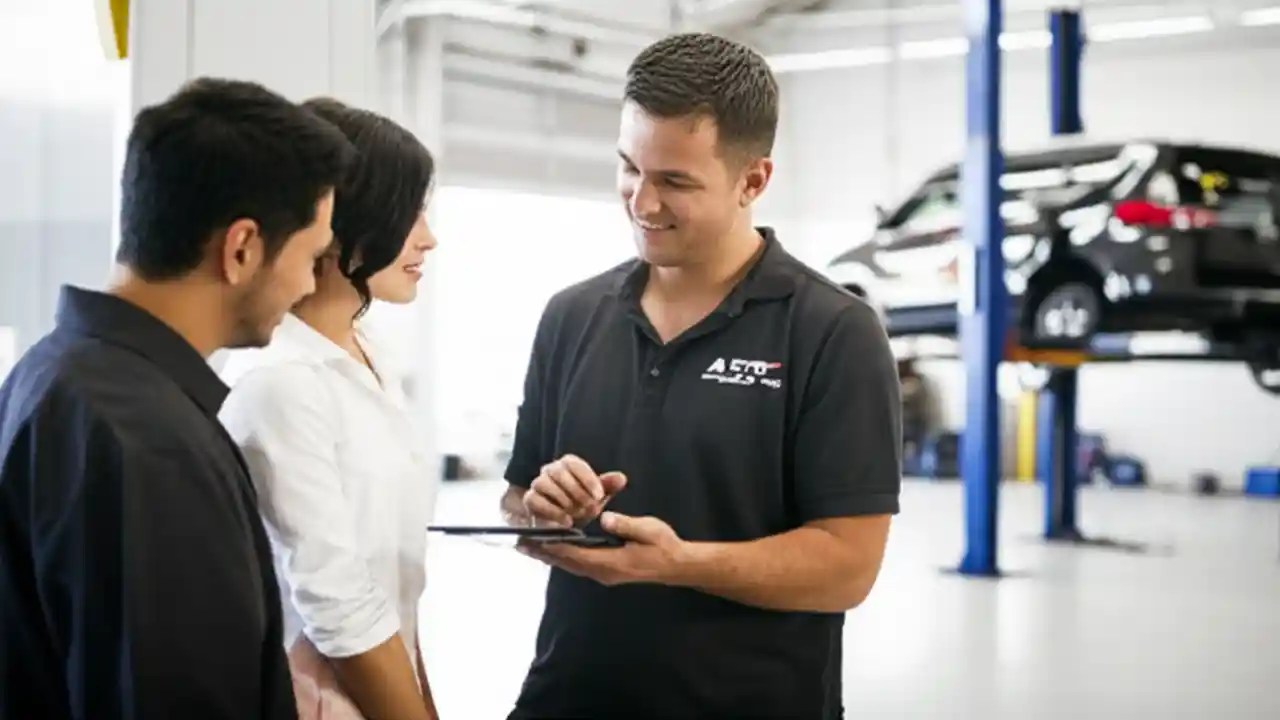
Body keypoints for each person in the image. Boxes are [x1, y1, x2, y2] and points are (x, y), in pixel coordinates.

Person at [499, 32, 903, 720]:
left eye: (675, 182)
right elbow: (515, 501)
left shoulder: (832, 332)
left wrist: (678, 563)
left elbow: (848, 567)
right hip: (565, 699)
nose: (642, 202)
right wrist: (541, 510)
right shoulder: (571, 315)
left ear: (754, 181)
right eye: (629, 168)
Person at [0, 78, 354, 719]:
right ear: (241, 249)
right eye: (311, 257)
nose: (308, 285)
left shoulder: (51, 372)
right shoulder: (153, 444)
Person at [218, 98, 440, 720]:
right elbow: (337, 604)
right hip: (314, 697)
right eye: (407, 213)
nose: (428, 237)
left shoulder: (370, 354)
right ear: (333, 221)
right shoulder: (281, 380)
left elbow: (394, 590)